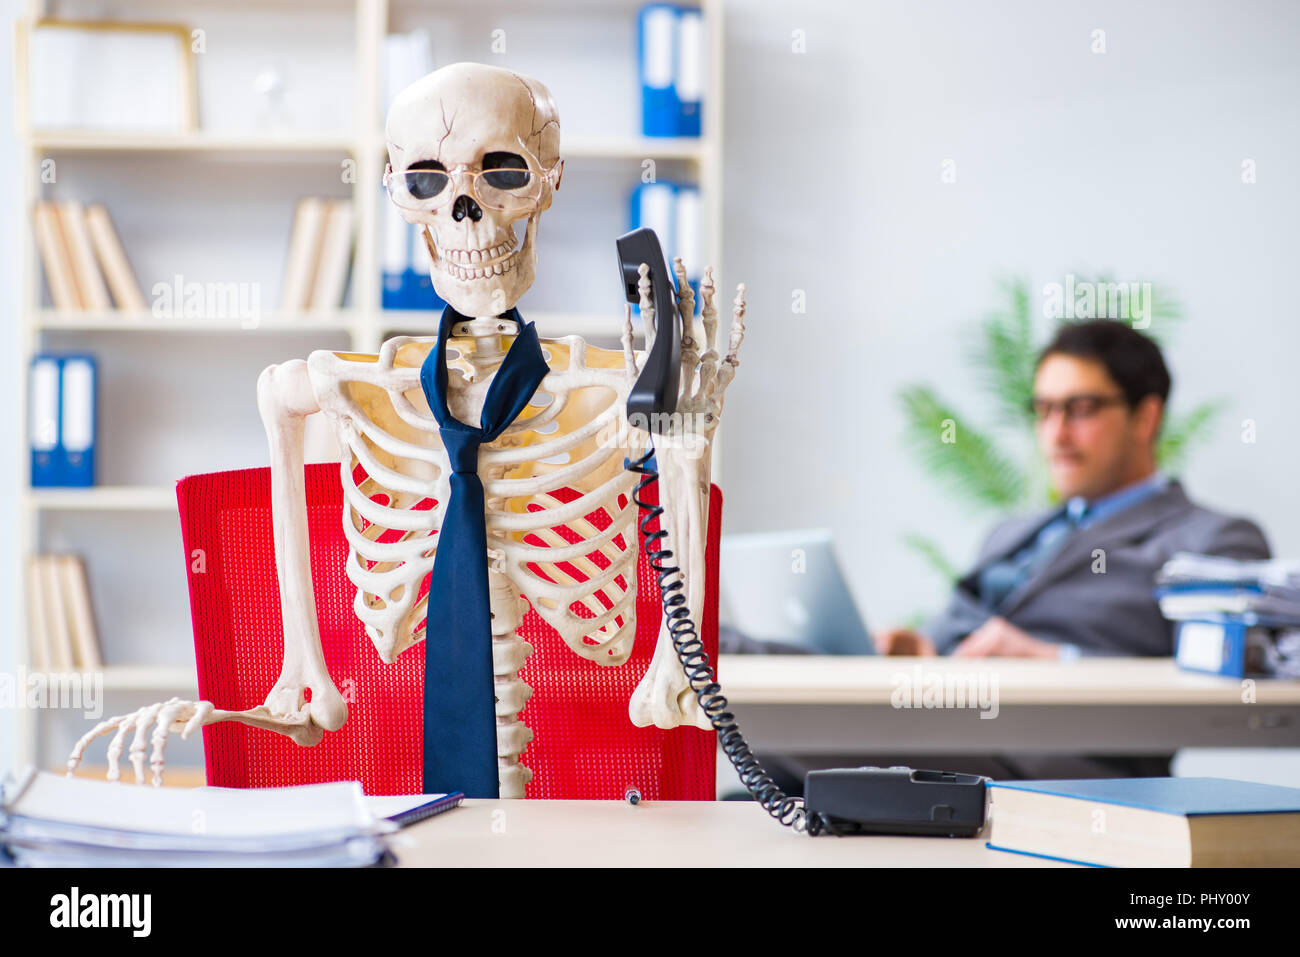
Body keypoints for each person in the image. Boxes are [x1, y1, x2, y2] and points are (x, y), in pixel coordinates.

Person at [746, 319, 1271, 795]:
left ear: (1146, 416)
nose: (1056, 434)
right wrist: (922, 644)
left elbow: (1237, 670)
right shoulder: (1011, 533)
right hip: (942, 722)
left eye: (1080, 409)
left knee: (752, 698)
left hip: (1057, 763)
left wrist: (1054, 662)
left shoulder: (1211, 540)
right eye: (1043, 410)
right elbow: (960, 632)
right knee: (753, 703)